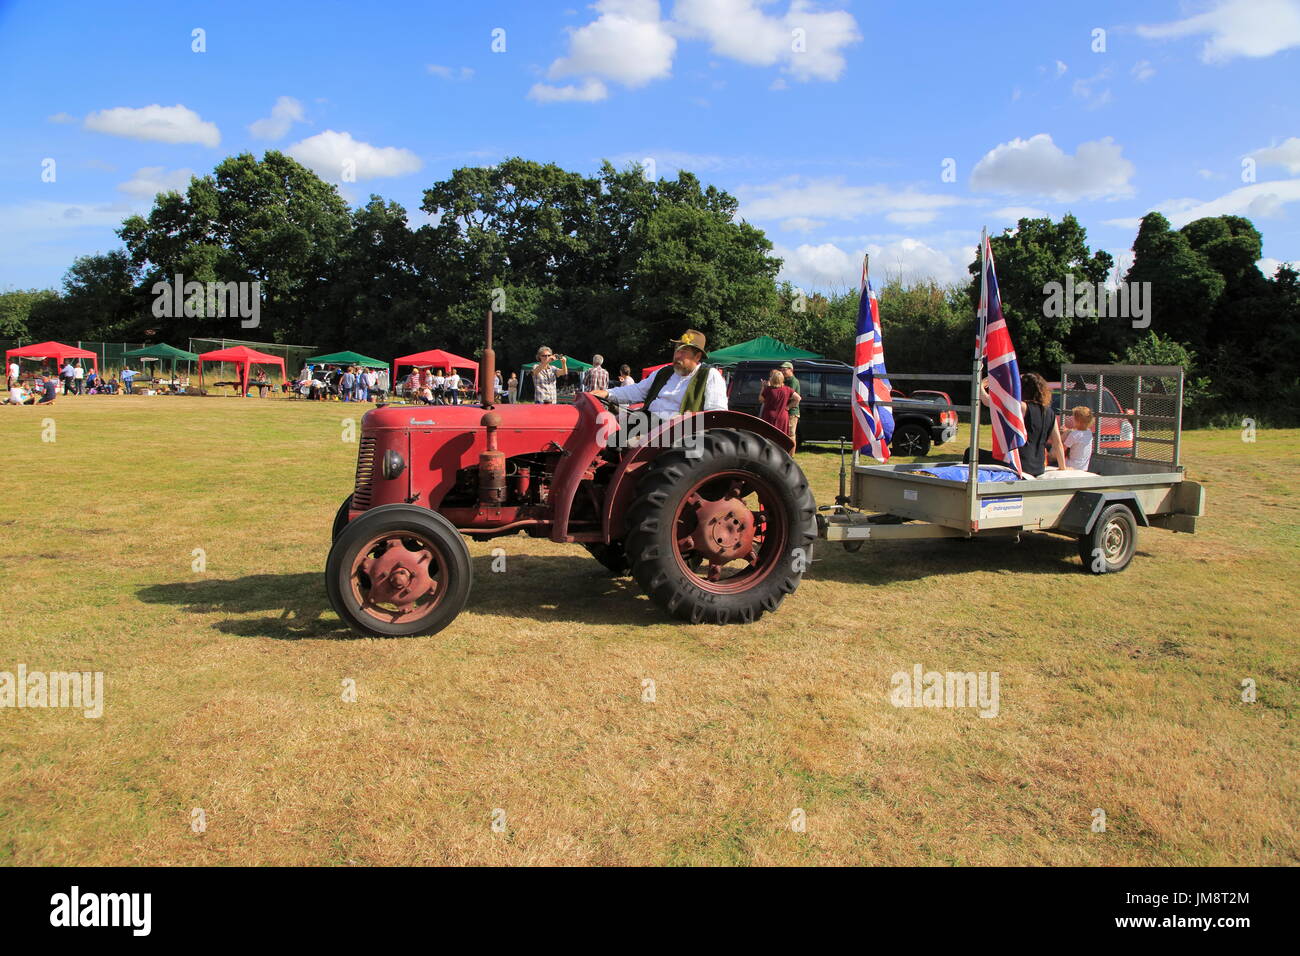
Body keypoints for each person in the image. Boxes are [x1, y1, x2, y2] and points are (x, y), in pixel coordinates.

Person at [592, 330, 727, 424]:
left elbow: (717, 413)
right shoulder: (665, 372)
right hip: (648, 422)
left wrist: (689, 418)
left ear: (697, 356)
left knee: (620, 443)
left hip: (679, 433)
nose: (677, 356)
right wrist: (607, 393)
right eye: (676, 350)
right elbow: (638, 390)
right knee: (607, 432)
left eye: (683, 352)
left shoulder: (710, 375)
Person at [980, 371, 1065, 478]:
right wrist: (1063, 467)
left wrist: (981, 386)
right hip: (1038, 467)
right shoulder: (1050, 412)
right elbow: (1058, 443)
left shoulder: (1022, 407)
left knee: (970, 452)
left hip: (1019, 464)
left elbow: (987, 401)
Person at [759, 369, 799, 436]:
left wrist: (763, 387)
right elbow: (798, 398)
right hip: (783, 417)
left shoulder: (768, 390)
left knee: (769, 437)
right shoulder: (787, 389)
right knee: (781, 438)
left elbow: (761, 399)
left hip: (769, 417)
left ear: (773, 379)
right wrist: (788, 407)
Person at [1061, 406, 1096, 471]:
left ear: (1078, 421)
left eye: (1074, 418)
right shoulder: (1089, 432)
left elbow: (1062, 449)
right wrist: (1068, 430)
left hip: (1071, 467)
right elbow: (1079, 433)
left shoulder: (1074, 435)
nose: (1072, 419)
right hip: (1083, 468)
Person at [779, 360, 802, 442]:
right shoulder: (786, 380)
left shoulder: (793, 381)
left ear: (791, 370)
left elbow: (790, 396)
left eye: (784, 369)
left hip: (792, 412)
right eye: (781, 370)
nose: (782, 371)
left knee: (791, 435)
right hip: (786, 412)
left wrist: (787, 407)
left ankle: (791, 454)